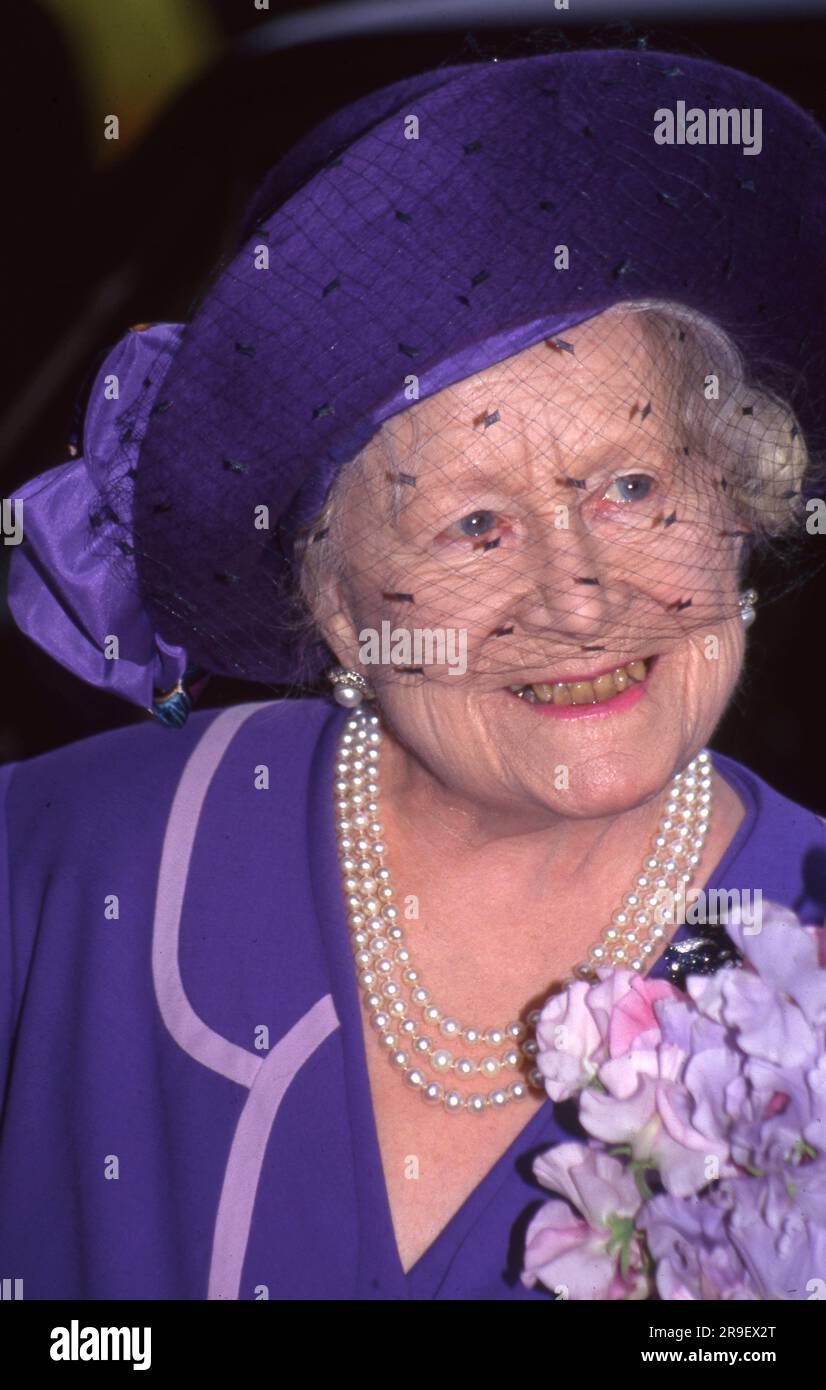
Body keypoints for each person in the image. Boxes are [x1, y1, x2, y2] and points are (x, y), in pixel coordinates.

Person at [2, 45, 826, 1301]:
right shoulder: (68, 871)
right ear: (330, 600)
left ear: (742, 504)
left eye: (633, 486)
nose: (579, 593)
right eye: (473, 525)